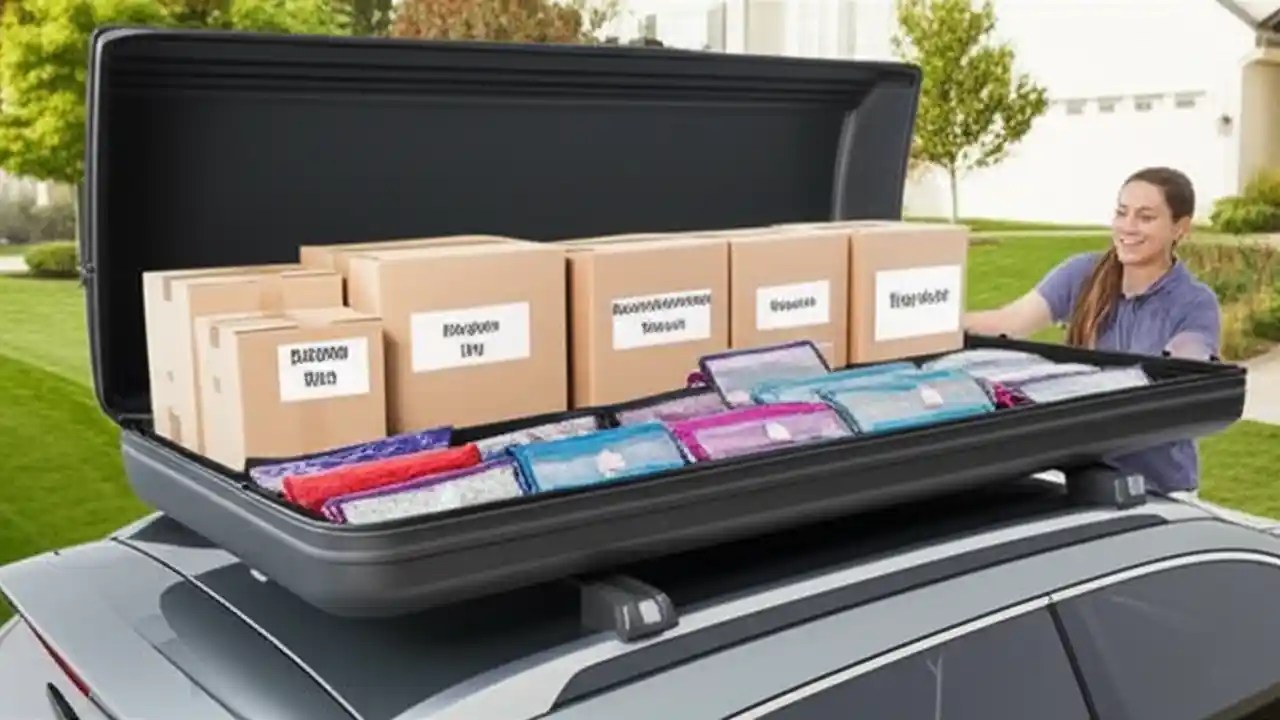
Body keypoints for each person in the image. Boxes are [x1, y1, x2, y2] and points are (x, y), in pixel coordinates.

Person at [964, 166, 1222, 495]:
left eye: (1145, 217)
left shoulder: (1194, 302)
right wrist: (924, 324)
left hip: (1159, 488)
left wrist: (1192, 360)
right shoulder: (1082, 273)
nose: (1128, 227)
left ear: (1180, 228)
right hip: (1079, 476)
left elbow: (1183, 365)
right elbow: (1007, 324)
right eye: (1121, 212)